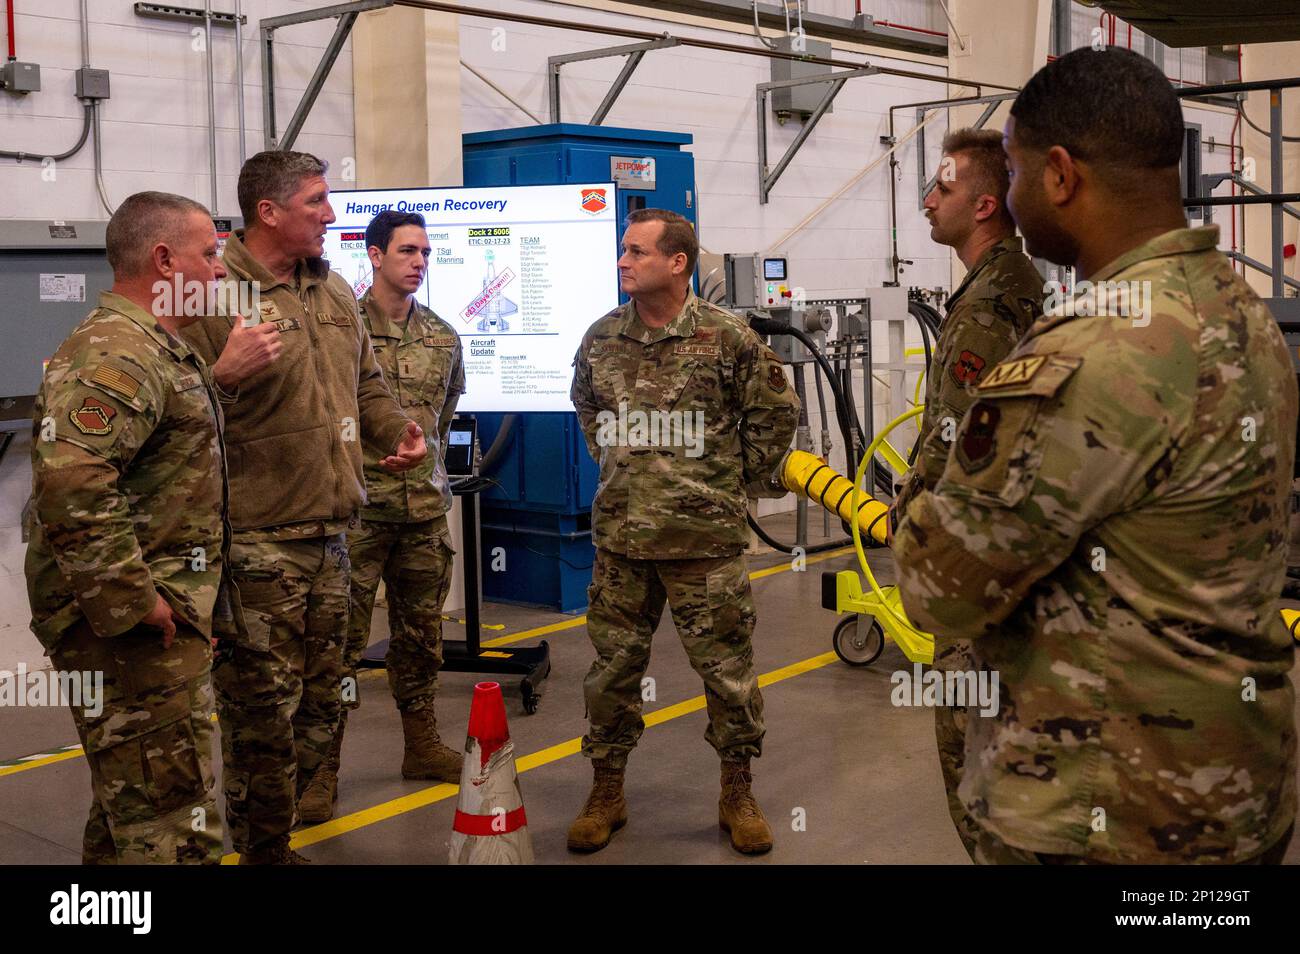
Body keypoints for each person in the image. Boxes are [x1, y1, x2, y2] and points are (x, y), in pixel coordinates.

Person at [893, 47, 1297, 865]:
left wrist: (915, 513)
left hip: (1112, 812)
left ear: (1061, 175)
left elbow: (940, 589)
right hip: (1237, 788)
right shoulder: (1241, 311)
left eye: (1012, 172)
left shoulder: (1093, 352)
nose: (1005, 197)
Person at [181, 151, 427, 864]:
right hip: (256, 544)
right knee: (262, 714)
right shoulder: (211, 294)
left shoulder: (333, 293)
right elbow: (171, 414)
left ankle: (276, 841)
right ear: (269, 212)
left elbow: (366, 387)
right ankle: (263, 850)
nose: (331, 214)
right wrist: (221, 378)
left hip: (333, 537)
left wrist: (395, 431)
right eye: (317, 202)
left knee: (323, 708)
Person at [26, 191, 252, 864]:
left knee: (131, 801)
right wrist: (133, 602)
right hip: (128, 633)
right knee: (174, 825)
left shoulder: (158, 346)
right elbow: (72, 483)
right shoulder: (121, 353)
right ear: (163, 259)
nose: (219, 270)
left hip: (157, 618)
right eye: (209, 254)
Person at [568, 208, 800, 854]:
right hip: (622, 544)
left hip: (706, 547)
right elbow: (586, 405)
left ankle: (737, 791)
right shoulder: (599, 339)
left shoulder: (728, 339)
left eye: (636, 252)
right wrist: (621, 465)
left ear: (676, 262)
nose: (622, 262)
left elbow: (774, 419)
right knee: (612, 673)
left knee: (728, 675)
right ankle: (606, 789)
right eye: (622, 251)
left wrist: (727, 486)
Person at [894, 126, 1044, 854]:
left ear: (986, 204)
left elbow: (961, 442)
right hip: (995, 559)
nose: (929, 201)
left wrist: (910, 519)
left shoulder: (993, 300)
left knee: (972, 766)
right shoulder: (998, 285)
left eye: (943, 189)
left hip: (974, 565)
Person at [312, 210, 466, 824]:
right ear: (374, 256)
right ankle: (323, 768)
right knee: (338, 647)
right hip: (359, 513)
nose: (419, 262)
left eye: (425, 253)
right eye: (407, 251)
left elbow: (443, 417)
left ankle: (422, 745)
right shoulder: (342, 331)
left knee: (421, 640)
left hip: (423, 514)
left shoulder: (444, 337)